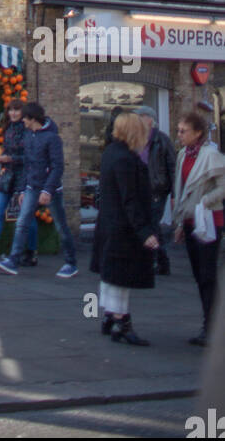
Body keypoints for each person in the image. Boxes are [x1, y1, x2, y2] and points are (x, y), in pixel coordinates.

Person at [90, 111, 159, 345]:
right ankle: (122, 322)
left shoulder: (111, 153)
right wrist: (145, 232)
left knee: (111, 274)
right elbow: (130, 199)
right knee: (121, 277)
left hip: (109, 223)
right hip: (123, 228)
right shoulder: (126, 160)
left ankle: (110, 317)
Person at [0, 101, 78, 278]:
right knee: (22, 223)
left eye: (25, 118)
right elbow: (28, 164)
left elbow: (57, 167)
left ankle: (71, 263)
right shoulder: (29, 136)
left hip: (51, 188)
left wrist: (48, 190)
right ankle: (13, 260)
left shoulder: (52, 138)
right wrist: (23, 189)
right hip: (32, 186)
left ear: (32, 119)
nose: (22, 121)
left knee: (60, 225)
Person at [172, 109, 225, 347]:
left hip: (210, 222)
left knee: (207, 275)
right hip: (191, 221)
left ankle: (212, 327)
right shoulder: (183, 155)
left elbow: (223, 186)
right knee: (198, 275)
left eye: (184, 131)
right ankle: (209, 323)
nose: (179, 135)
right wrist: (180, 222)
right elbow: (182, 190)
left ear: (198, 133)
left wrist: (206, 201)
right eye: (178, 131)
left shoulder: (211, 155)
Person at [0, 98, 37, 265]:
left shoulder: (28, 130)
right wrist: (0, 156)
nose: (14, 113)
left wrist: (10, 158)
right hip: (8, 174)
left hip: (23, 175)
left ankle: (32, 252)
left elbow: (30, 156)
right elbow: (7, 149)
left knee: (27, 214)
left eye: (17, 110)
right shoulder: (8, 128)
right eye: (11, 110)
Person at [135, 106, 176, 276]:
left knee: (151, 224)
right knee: (151, 225)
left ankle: (152, 260)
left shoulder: (162, 140)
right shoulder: (136, 139)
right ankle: (162, 260)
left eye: (140, 118)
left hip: (157, 189)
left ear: (149, 120)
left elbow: (172, 167)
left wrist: (174, 192)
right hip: (140, 189)